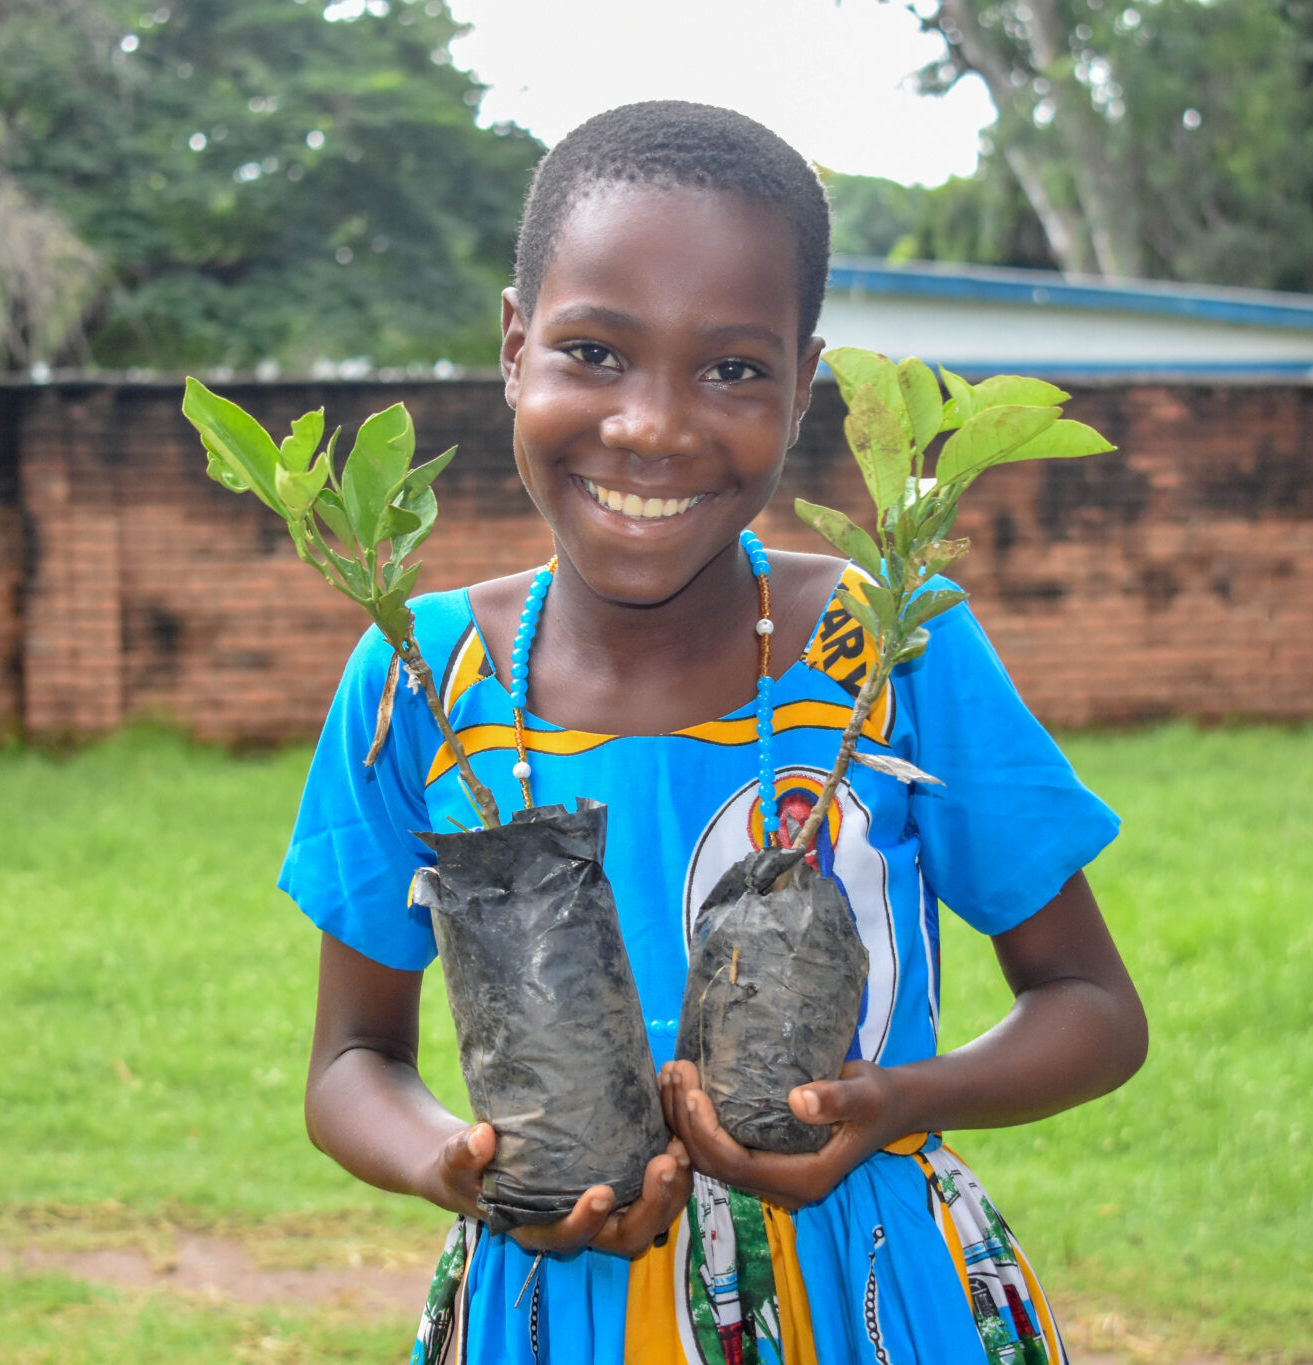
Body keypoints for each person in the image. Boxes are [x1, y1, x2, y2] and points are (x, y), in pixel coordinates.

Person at [287, 101, 1147, 1365]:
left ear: (805, 388)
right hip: (547, 1311)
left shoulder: (885, 649)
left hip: (872, 1306)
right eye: (594, 351)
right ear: (514, 350)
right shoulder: (418, 680)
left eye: (733, 368)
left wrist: (899, 1100)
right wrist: (455, 1164)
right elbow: (351, 1058)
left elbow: (1091, 1007)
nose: (652, 425)